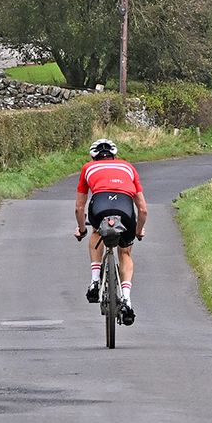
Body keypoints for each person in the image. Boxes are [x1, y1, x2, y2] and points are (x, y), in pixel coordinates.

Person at [75, 139, 144, 325]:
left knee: (96, 232)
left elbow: (79, 208)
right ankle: (127, 301)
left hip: (100, 207)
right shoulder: (128, 167)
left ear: (93, 156)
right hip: (126, 208)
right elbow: (143, 209)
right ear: (115, 155)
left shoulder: (88, 168)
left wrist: (82, 230)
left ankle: (95, 280)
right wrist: (138, 231)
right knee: (125, 252)